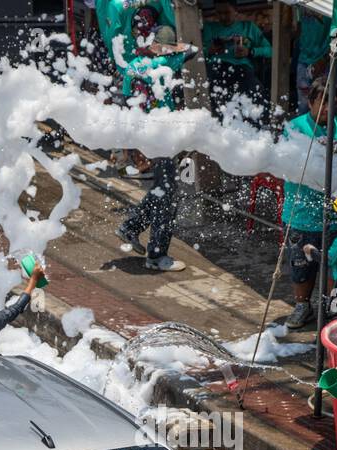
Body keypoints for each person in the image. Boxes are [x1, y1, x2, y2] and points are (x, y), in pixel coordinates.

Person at [276, 76, 337, 329]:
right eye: (322, 103)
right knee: (301, 264)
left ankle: (329, 304)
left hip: (336, 211)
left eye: (332, 103)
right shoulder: (295, 127)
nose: (327, 109)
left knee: (333, 261)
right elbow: (286, 165)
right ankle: (303, 306)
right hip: (302, 211)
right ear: (310, 102)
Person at [112, 9, 192, 272]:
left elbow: (125, 103)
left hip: (142, 136)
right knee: (167, 195)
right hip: (161, 136)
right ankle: (157, 255)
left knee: (161, 188)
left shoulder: (132, 66)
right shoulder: (167, 63)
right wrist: (170, 48)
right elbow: (191, 49)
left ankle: (130, 227)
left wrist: (131, 146)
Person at [203, 3, 270, 105]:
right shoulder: (210, 28)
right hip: (217, 67)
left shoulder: (248, 27)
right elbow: (197, 52)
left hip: (242, 68)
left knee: (257, 95)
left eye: (226, 12)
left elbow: (270, 50)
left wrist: (250, 51)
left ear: (236, 10)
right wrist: (209, 50)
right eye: (219, 13)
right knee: (215, 95)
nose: (223, 17)